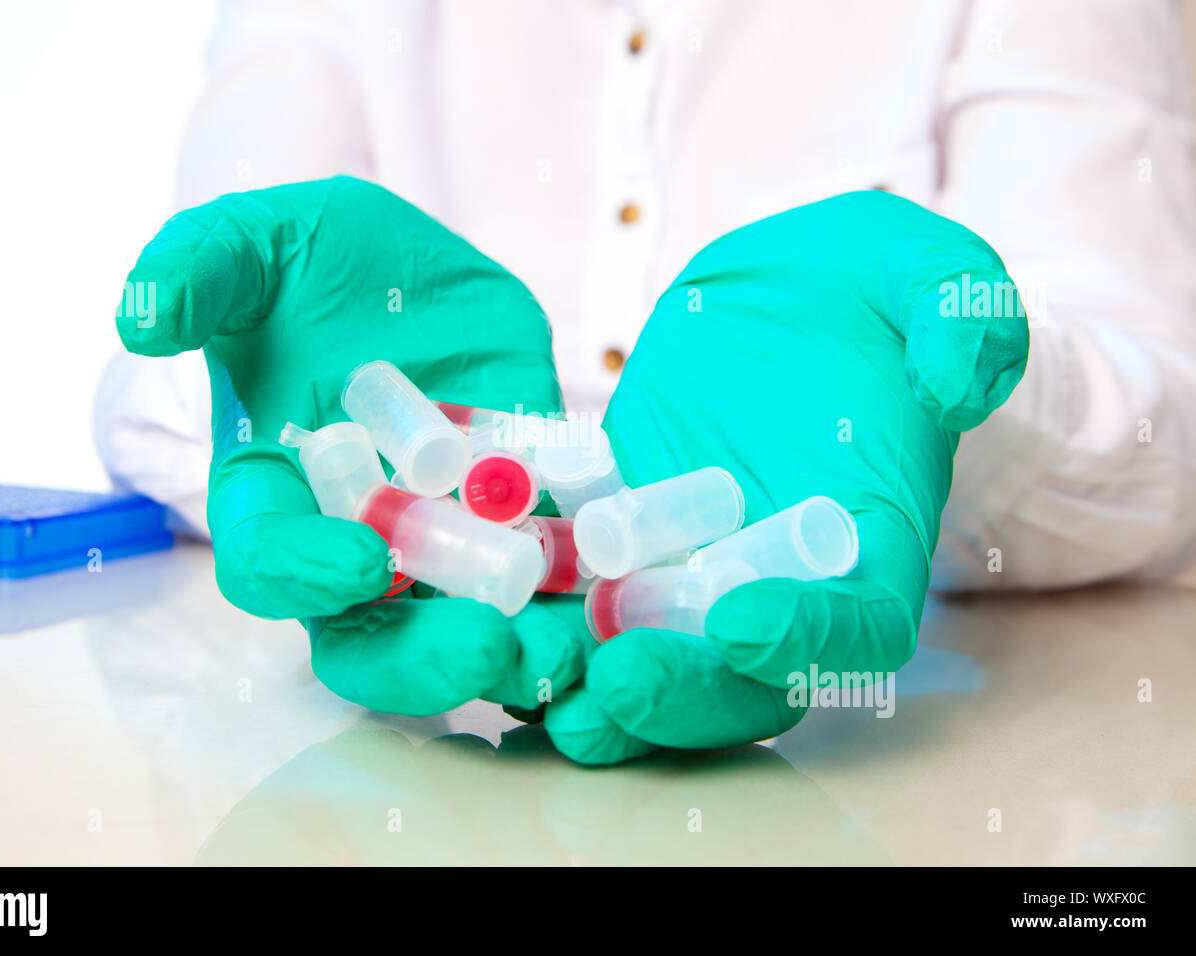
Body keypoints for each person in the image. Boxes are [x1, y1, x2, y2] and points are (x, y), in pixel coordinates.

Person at [97, 1, 1196, 764]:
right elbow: (168, 375)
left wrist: (919, 403)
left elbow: (1165, 443)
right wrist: (277, 378)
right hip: (468, 553)